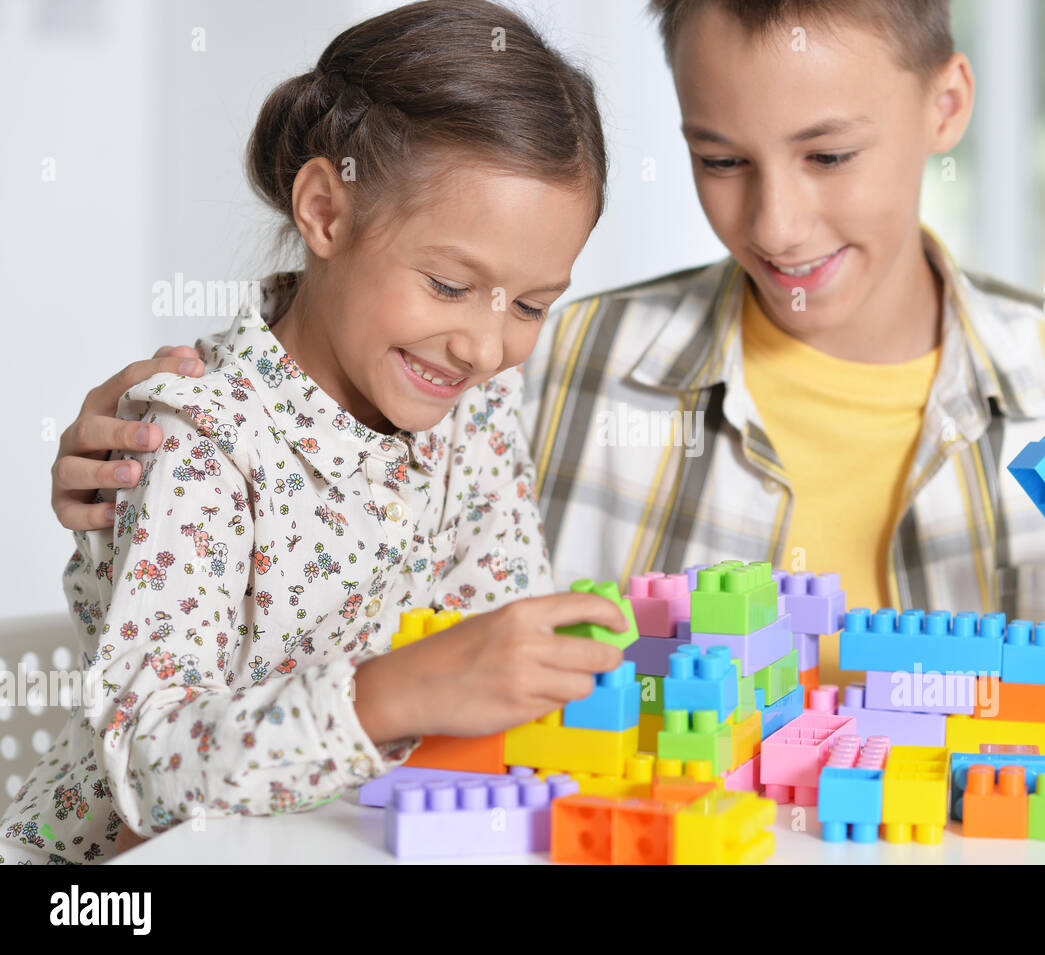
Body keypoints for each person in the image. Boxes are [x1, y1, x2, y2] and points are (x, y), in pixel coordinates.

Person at [51, 0, 1045, 743]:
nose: (781, 225)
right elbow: (326, 485)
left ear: (947, 103)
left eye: (830, 152)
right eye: (720, 158)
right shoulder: (541, 364)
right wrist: (174, 438)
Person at [3, 0, 629, 865]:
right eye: (450, 284)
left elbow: (499, 641)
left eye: (528, 305)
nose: (486, 347)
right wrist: (396, 693)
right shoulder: (201, 437)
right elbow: (147, 765)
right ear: (326, 212)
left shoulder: (476, 410)